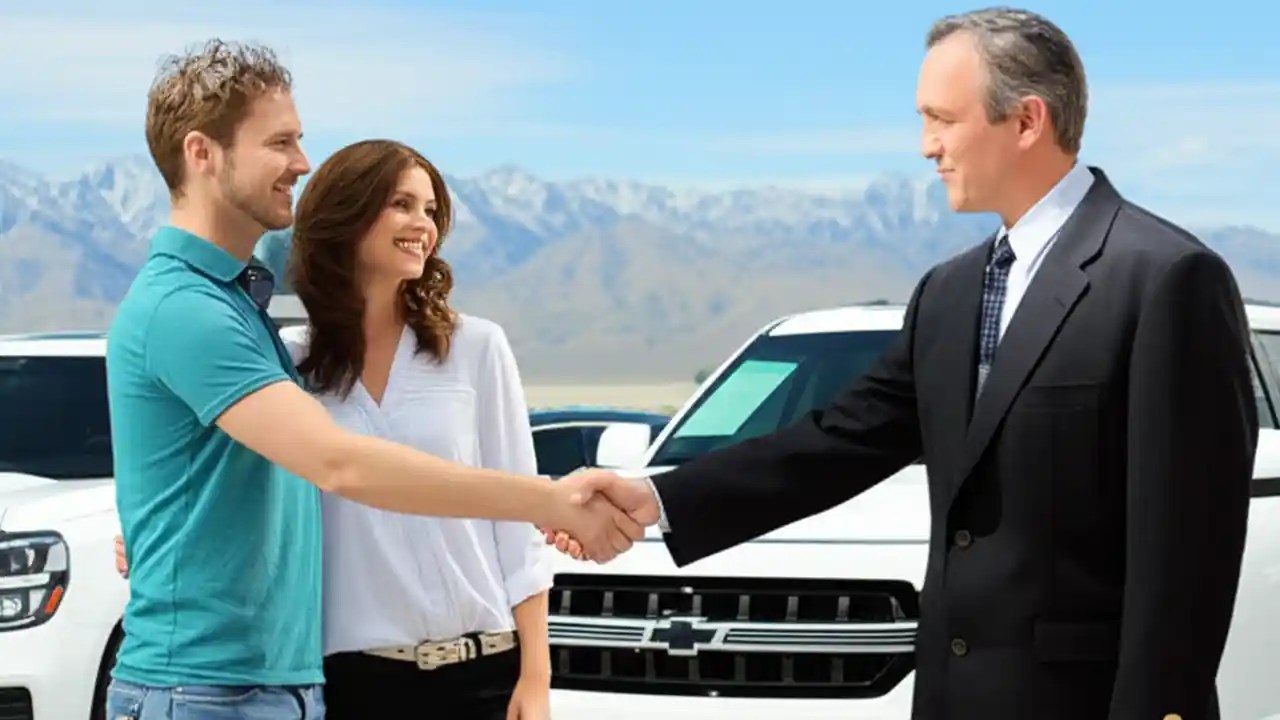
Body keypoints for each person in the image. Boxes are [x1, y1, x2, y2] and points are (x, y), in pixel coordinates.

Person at [549, 7, 1258, 720]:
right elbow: (836, 440)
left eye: (942, 119)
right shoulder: (949, 294)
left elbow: (1187, 557)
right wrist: (659, 499)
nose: (926, 147)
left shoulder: (1167, 280)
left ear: (1026, 121)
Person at [105, 39, 635, 720]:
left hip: (279, 687)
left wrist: (152, 525)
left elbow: (207, 472)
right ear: (201, 153)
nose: (300, 162)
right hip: (213, 690)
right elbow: (339, 463)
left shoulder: (242, 303)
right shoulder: (194, 312)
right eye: (282, 143)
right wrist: (551, 501)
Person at [286, 139, 555, 719]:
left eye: (431, 211)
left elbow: (520, 527)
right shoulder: (292, 364)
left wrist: (535, 677)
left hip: (485, 674)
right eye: (402, 205)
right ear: (346, 214)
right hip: (352, 685)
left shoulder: (476, 348)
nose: (422, 226)